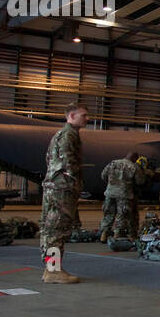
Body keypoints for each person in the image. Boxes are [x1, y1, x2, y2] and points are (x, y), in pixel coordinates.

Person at [39, 102, 88, 284]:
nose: (87, 118)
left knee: (50, 228)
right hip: (62, 189)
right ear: (72, 116)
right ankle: (53, 271)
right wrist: (76, 184)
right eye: (83, 115)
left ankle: (50, 269)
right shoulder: (69, 135)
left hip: (54, 186)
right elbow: (70, 163)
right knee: (57, 230)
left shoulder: (59, 135)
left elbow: (49, 159)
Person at [98, 155, 143, 242]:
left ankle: (104, 234)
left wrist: (111, 184)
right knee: (121, 215)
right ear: (134, 159)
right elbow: (140, 181)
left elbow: (103, 175)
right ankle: (116, 236)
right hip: (123, 194)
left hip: (110, 193)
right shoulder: (133, 166)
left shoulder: (113, 163)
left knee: (108, 214)